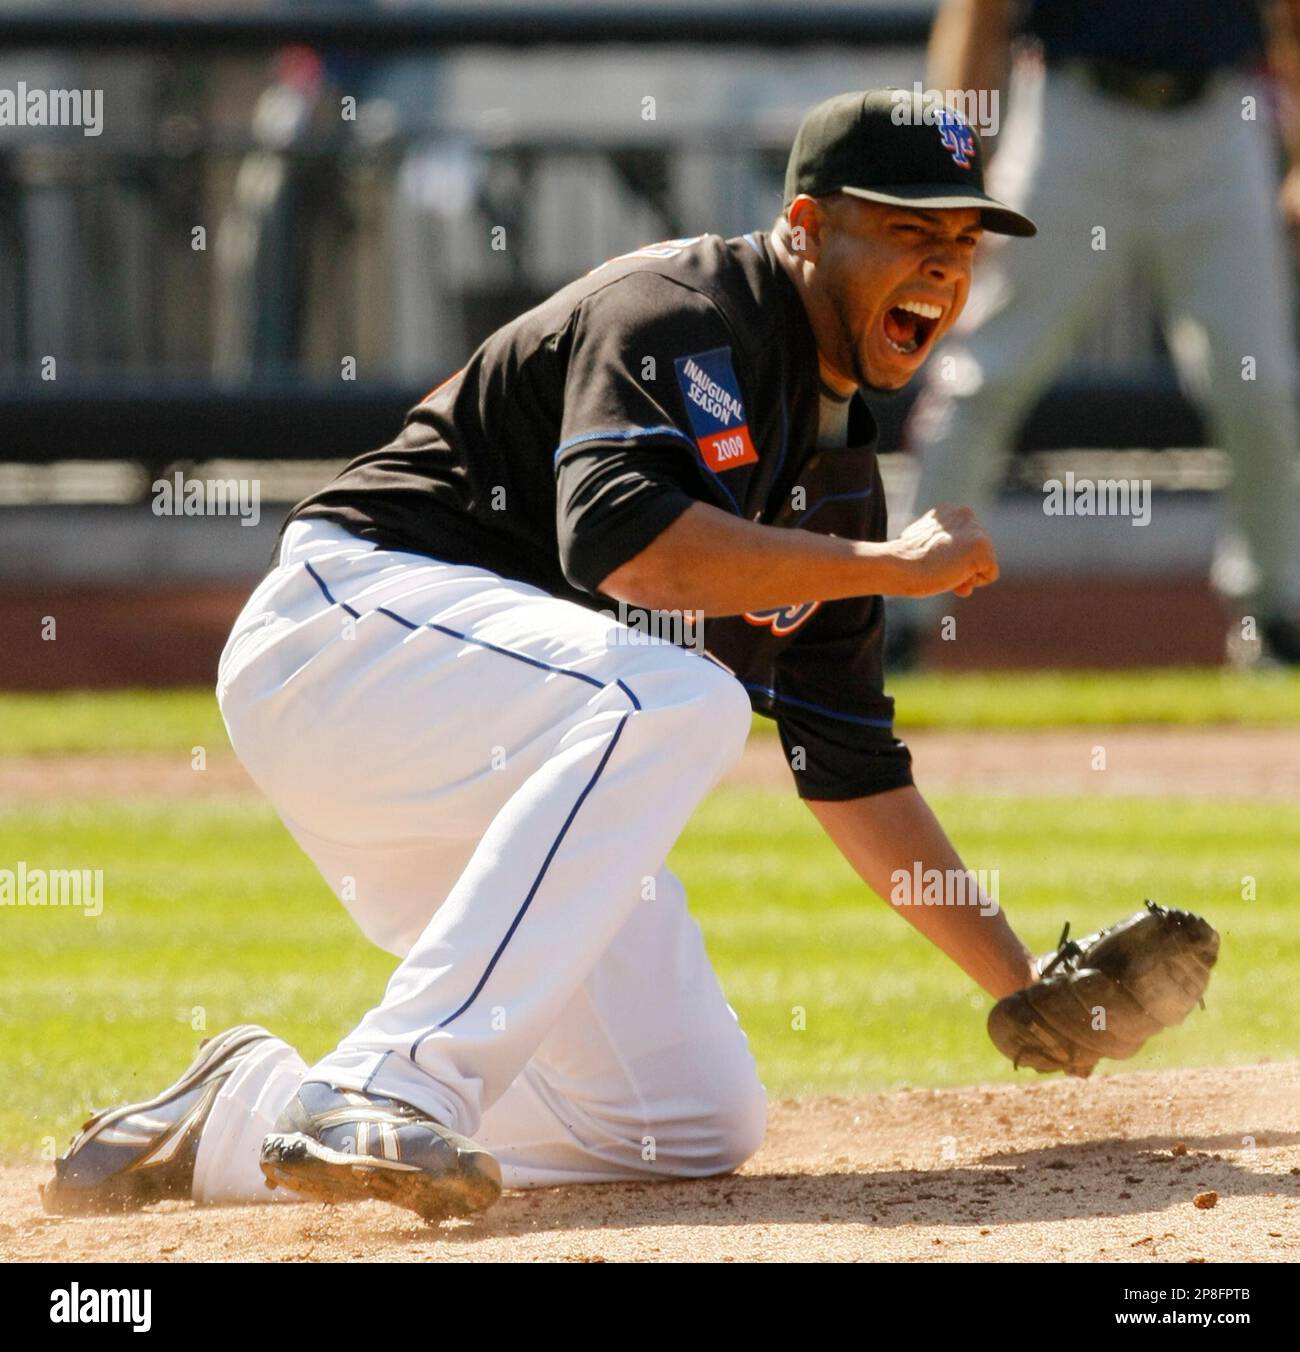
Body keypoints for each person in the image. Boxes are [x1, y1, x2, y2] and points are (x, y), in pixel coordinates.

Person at [44, 90, 1041, 1223]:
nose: (944, 268)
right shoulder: (680, 308)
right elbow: (627, 545)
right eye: (912, 232)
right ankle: (386, 1079)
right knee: (679, 699)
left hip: (487, 749)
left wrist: (1026, 986)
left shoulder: (835, 463)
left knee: (683, 1122)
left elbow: (851, 763)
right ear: (806, 224)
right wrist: (888, 565)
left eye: (963, 242)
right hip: (348, 635)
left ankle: (241, 1117)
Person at [894, 0, 1300, 667]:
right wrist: (956, 166)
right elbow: (980, 12)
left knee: (1257, 389)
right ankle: (902, 611)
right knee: (983, 376)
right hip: (1073, 116)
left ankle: (1276, 618)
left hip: (1223, 118)